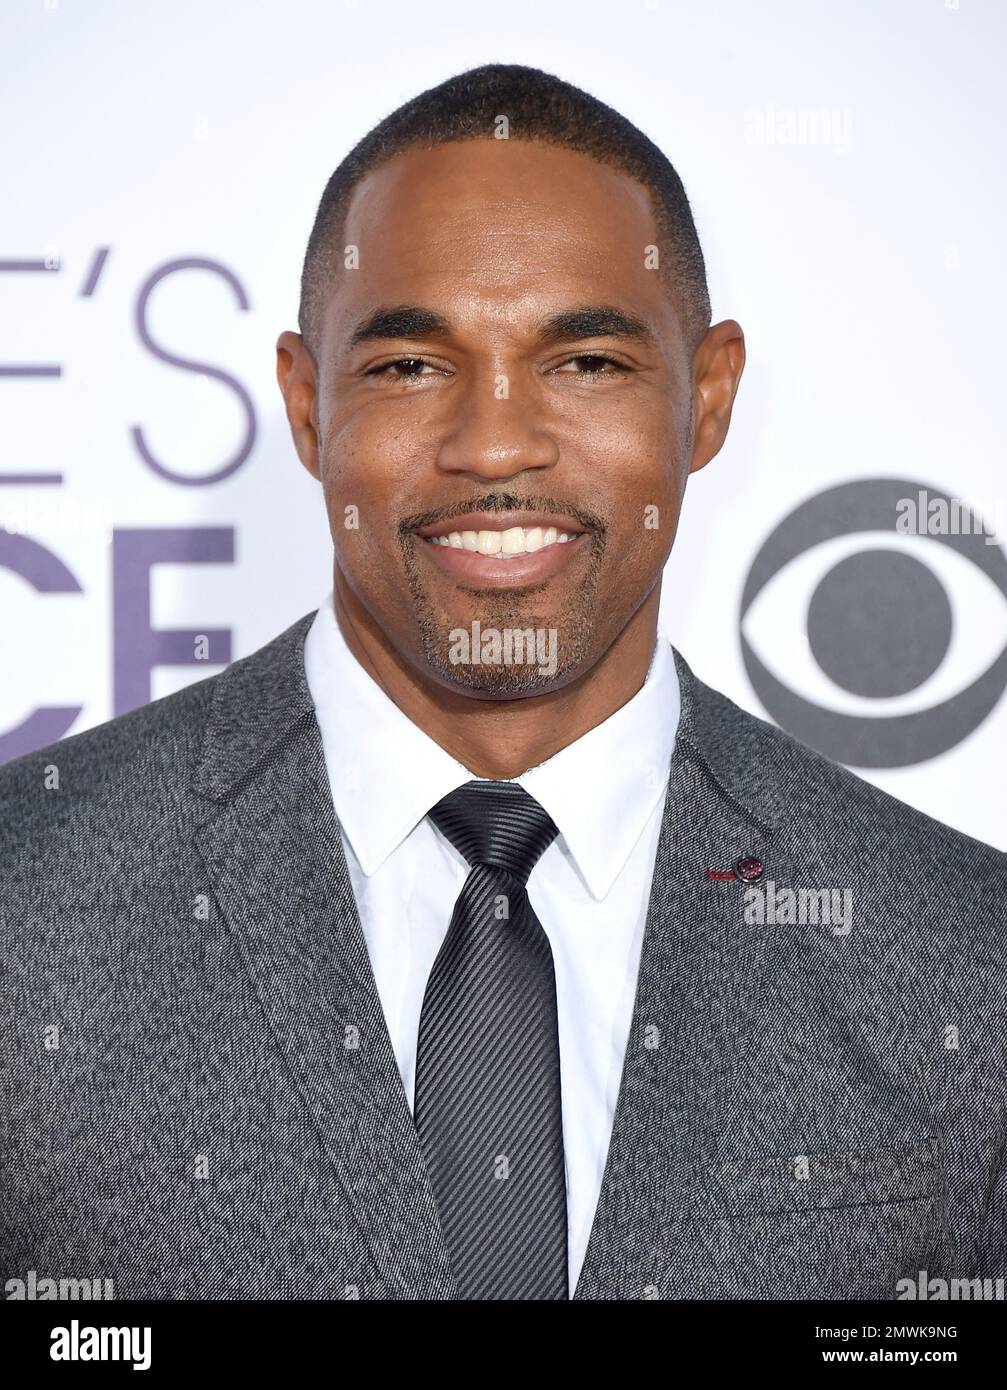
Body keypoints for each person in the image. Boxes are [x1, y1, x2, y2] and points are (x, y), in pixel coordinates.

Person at [2, 64, 1004, 1302]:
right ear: (308, 406)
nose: (491, 443)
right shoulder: (24, 897)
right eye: (409, 367)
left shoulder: (966, 955)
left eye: (583, 362)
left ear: (709, 399)